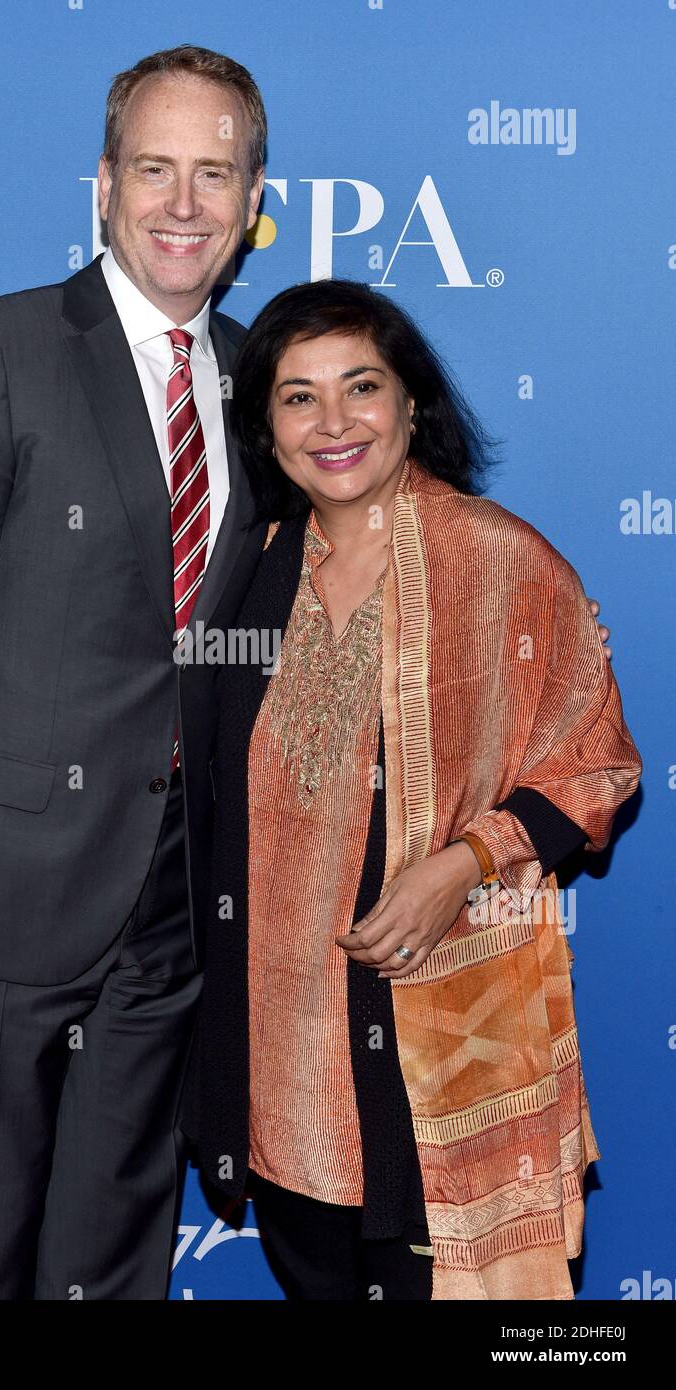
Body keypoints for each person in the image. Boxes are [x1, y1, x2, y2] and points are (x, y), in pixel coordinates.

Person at [0, 45, 268, 1300]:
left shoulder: (261, 385)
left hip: (174, 914)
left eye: (215, 173)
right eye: (154, 168)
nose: (182, 202)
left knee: (110, 1261)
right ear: (102, 185)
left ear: (254, 204)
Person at [180, 278, 642, 1301]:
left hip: (441, 1045)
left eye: (361, 386)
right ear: (264, 425)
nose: (333, 422)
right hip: (283, 1071)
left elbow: (597, 759)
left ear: (410, 403)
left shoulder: (501, 560)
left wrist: (463, 862)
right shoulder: (249, 572)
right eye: (298, 397)